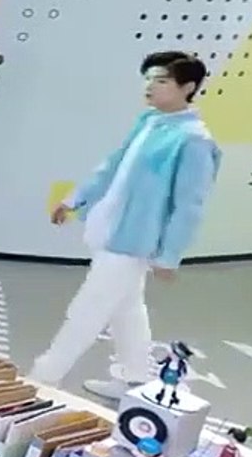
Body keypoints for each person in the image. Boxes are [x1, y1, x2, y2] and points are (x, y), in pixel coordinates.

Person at [27, 51, 220, 400]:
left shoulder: (194, 140)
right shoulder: (150, 121)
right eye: (150, 79)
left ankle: (43, 378)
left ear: (188, 87)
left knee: (88, 310)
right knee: (127, 310)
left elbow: (190, 205)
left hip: (134, 242)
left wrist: (170, 255)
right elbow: (113, 165)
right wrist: (74, 199)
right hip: (112, 229)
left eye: (162, 80)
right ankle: (134, 379)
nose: (151, 86)